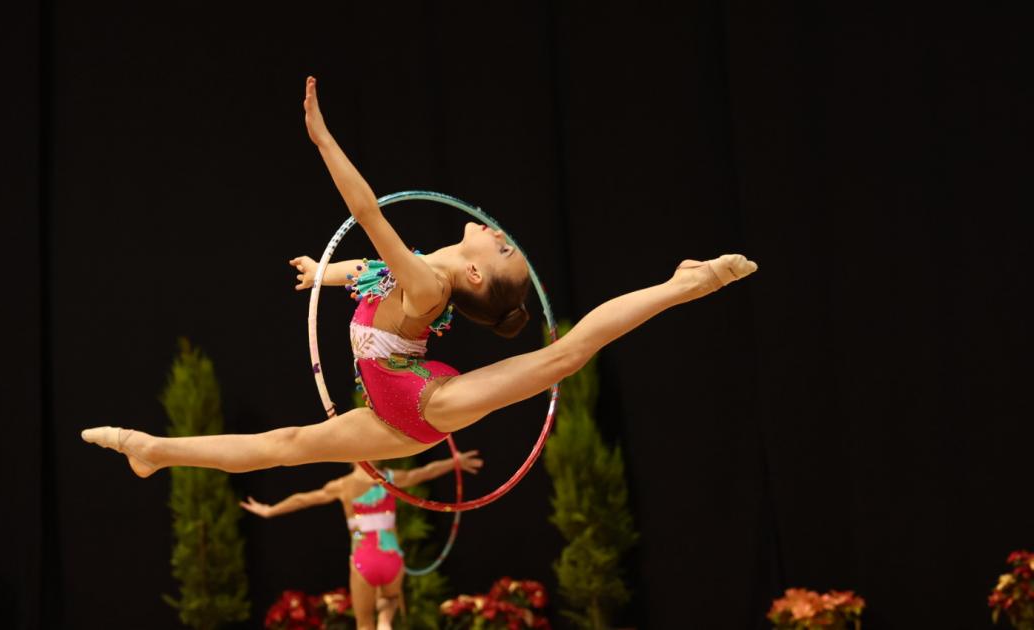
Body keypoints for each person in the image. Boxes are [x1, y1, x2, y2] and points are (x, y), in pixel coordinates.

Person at [81, 75, 757, 478]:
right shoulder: (410, 279)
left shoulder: (429, 288)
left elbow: (367, 213)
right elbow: (364, 272)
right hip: (388, 409)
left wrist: (323, 141)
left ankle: (683, 284)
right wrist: (323, 270)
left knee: (568, 354)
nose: (501, 234)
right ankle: (153, 452)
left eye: (505, 252)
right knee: (281, 447)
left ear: (472, 271)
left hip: (425, 404)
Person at [241, 452, 483, 630]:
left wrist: (271, 510)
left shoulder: (343, 486)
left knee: (364, 623)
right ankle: (386, 622)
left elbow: (304, 499)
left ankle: (379, 624)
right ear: (377, 455)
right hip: (391, 556)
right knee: (389, 600)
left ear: (351, 457)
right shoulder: (390, 478)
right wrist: (455, 462)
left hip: (363, 559)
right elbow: (424, 472)